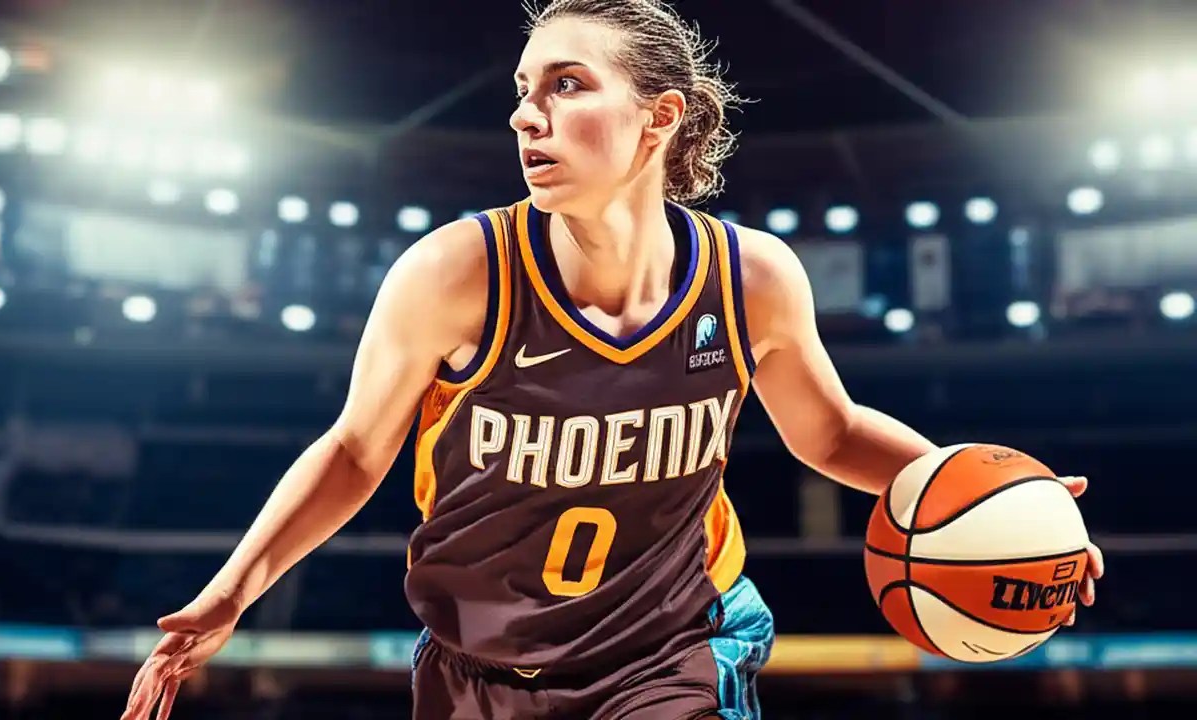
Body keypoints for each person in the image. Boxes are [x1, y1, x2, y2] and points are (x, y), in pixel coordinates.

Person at [120, 1, 1104, 718]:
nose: (523, 114)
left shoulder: (748, 276)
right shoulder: (459, 271)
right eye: (521, 90)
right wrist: (231, 590)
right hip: (475, 668)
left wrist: (999, 506)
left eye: (565, 84)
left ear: (658, 116)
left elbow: (834, 432)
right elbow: (353, 453)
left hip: (671, 651)